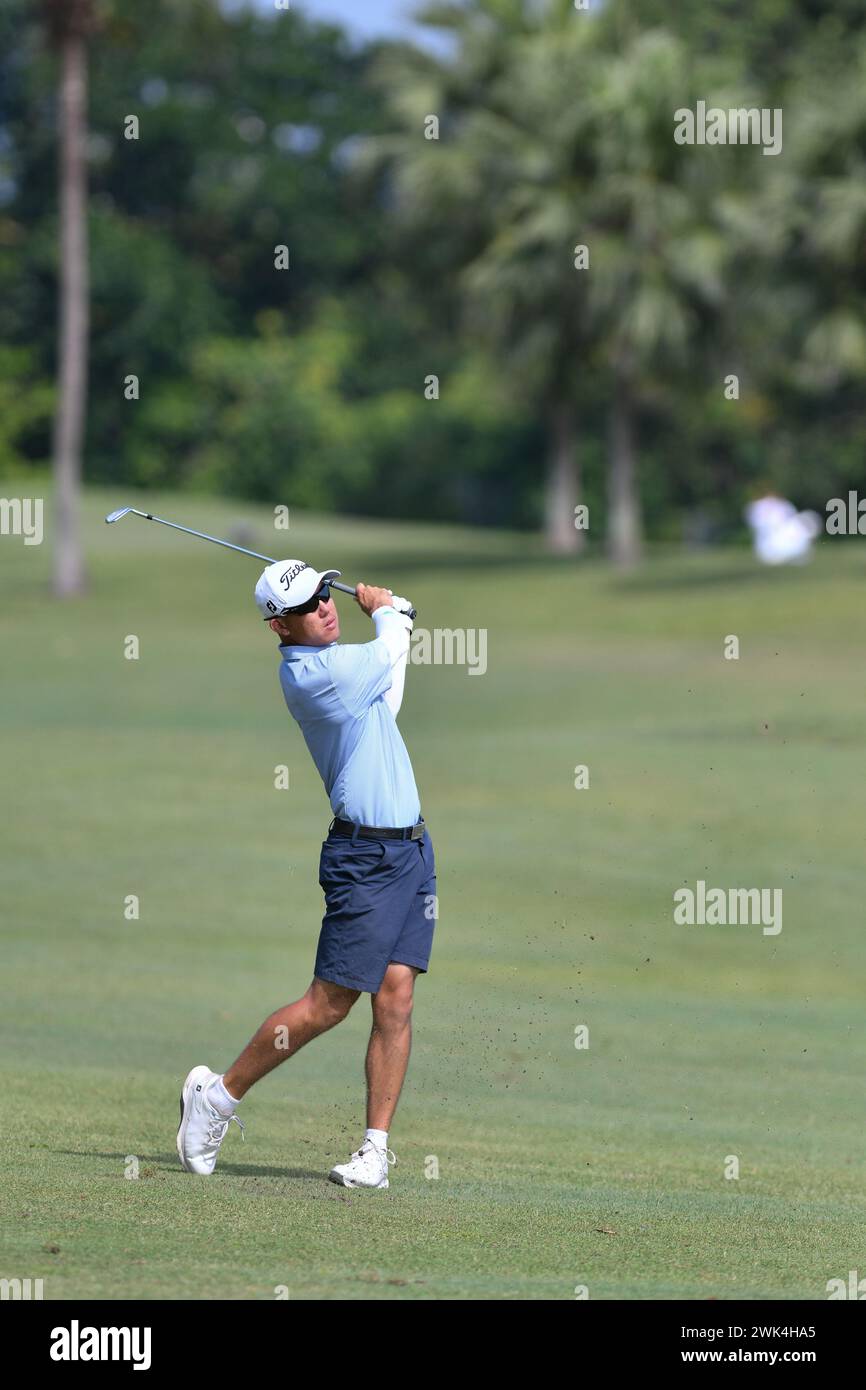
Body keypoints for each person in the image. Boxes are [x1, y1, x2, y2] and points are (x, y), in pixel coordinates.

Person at [176, 560, 436, 1190]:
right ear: (278, 625)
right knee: (327, 1006)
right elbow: (392, 643)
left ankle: (374, 1151)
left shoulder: (347, 667)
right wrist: (388, 608)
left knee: (396, 997)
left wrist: (390, 622)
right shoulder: (313, 676)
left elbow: (390, 685)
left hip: (412, 851)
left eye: (326, 592)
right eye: (308, 604)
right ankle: (217, 1097)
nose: (325, 605)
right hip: (365, 860)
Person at [744, 489, 821, 565]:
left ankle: (796, 554)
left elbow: (791, 520)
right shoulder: (759, 506)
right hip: (769, 544)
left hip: (784, 537)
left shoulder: (784, 505)